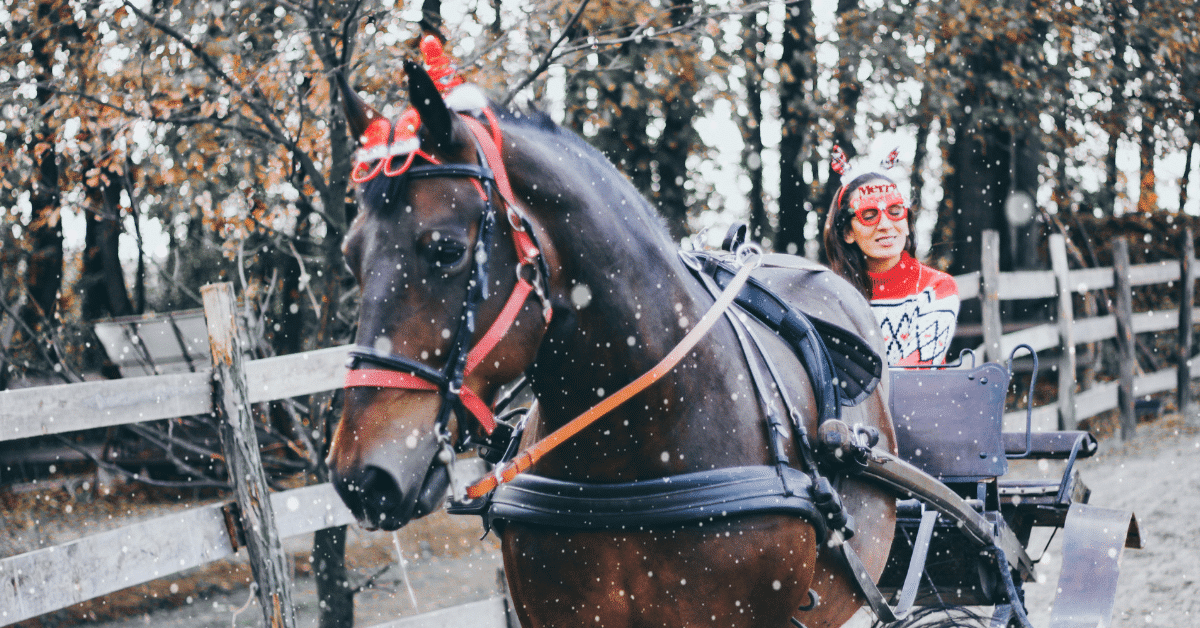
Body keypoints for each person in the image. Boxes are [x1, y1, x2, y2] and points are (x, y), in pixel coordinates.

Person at [822, 161, 959, 366]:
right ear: (848, 233)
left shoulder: (936, 287)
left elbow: (917, 372)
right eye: (869, 215)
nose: (886, 225)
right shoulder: (831, 297)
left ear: (906, 223)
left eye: (895, 211)